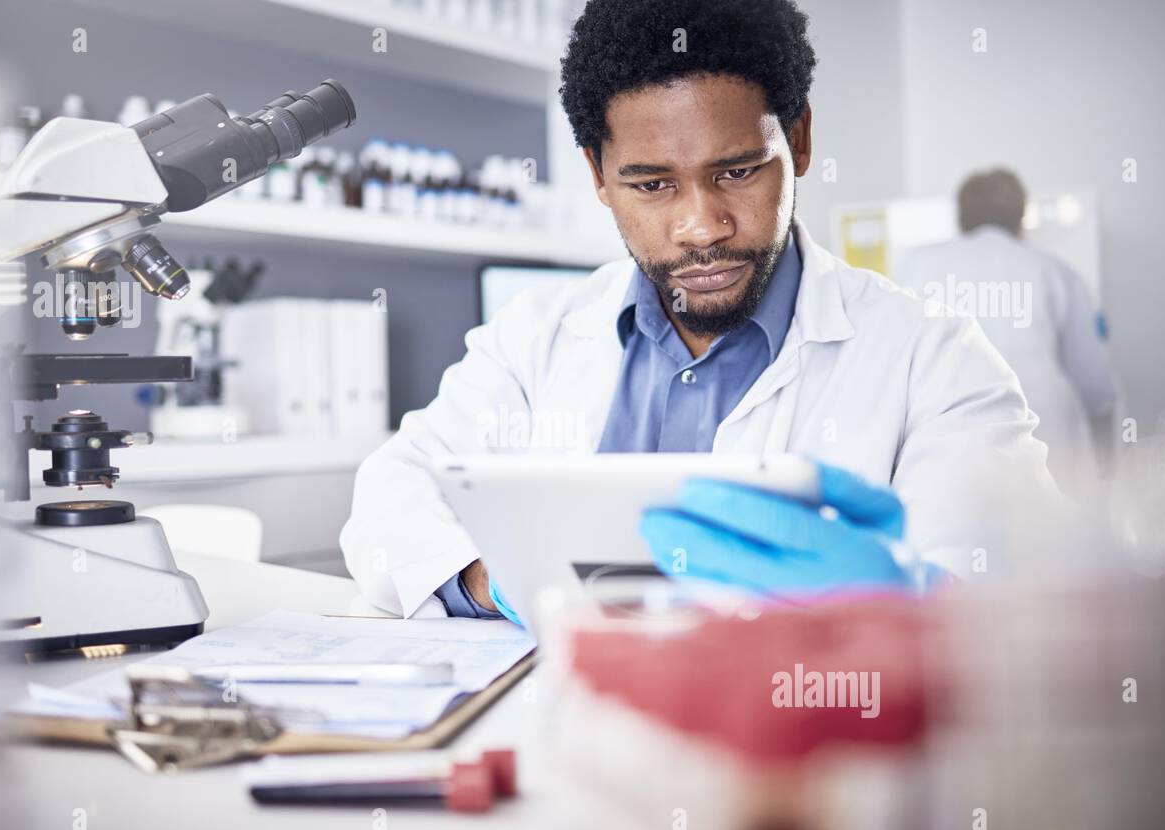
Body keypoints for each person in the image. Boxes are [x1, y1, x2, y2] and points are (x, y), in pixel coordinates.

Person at [341, 0, 1061, 620]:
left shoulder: (936, 360)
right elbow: (387, 500)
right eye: (653, 185)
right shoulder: (535, 337)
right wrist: (504, 582)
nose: (702, 226)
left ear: (800, 140)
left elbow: (1028, 605)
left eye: (737, 171)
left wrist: (907, 605)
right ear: (598, 174)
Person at [898, 169, 1119, 502]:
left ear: (961, 218)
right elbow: (1094, 383)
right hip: (1053, 445)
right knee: (1054, 543)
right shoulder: (1056, 271)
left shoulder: (917, 265)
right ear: (1021, 218)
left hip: (946, 445)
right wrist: (1108, 463)